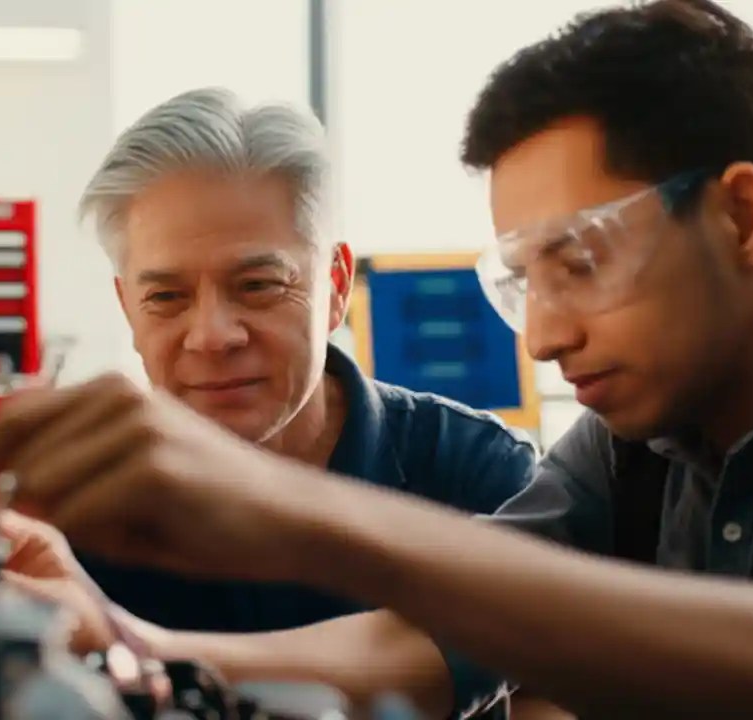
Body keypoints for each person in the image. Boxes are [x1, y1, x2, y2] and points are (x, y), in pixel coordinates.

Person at [0, 1, 753, 717]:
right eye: (524, 283)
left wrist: (282, 510)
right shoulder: (625, 453)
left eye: (580, 263)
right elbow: (423, 649)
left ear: (743, 217)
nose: (541, 337)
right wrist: (113, 637)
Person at [56, 86, 535, 636]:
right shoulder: (82, 518)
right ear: (127, 308)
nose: (212, 337)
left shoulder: (473, 474)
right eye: (166, 298)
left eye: (257, 286)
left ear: (335, 285)